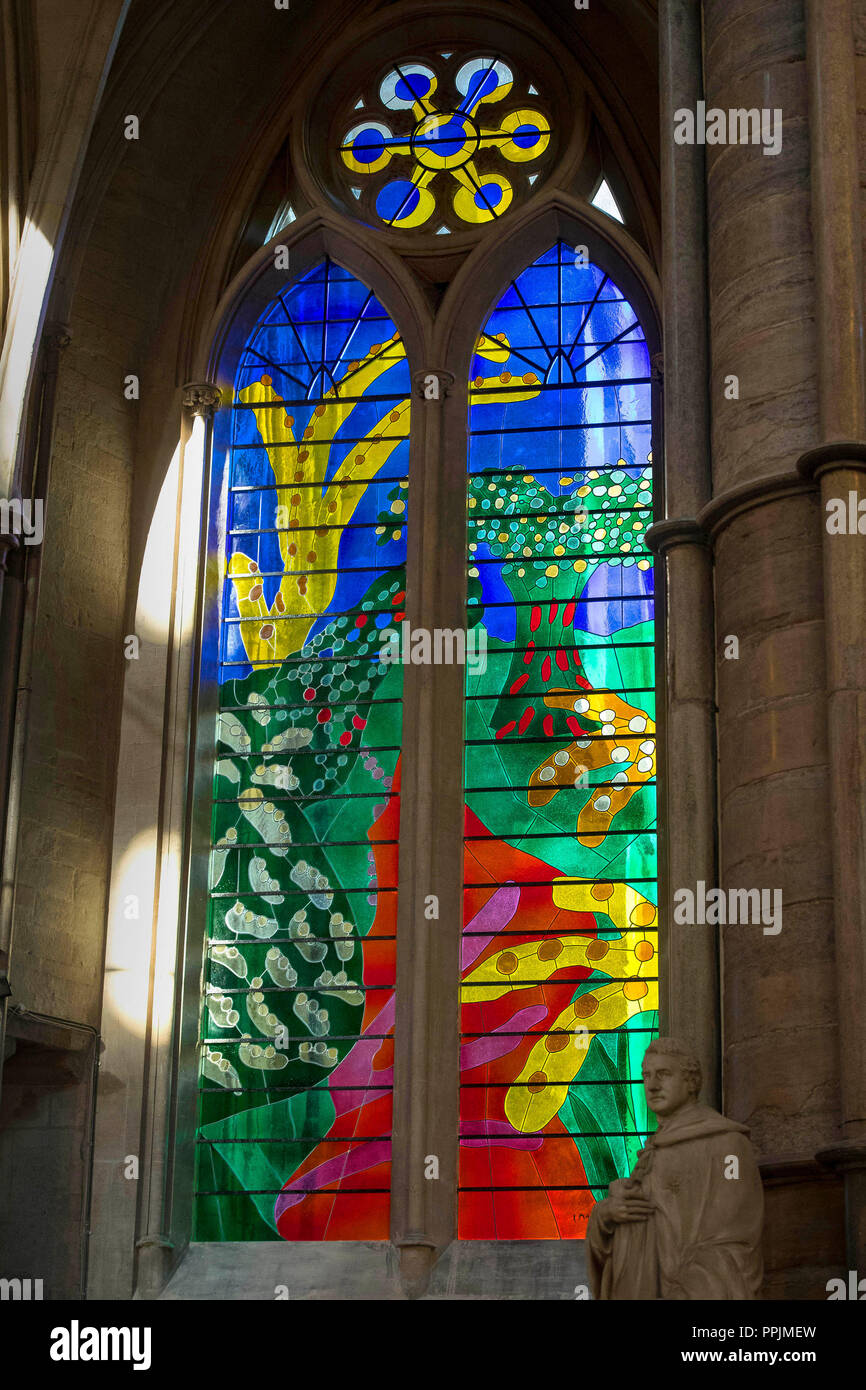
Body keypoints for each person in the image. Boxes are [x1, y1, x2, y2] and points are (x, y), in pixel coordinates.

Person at [587, 1037, 763, 1299]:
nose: (653, 1086)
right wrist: (605, 1215)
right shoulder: (653, 1151)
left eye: (664, 1074)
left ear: (691, 1082)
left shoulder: (728, 1145)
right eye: (646, 1076)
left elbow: (732, 1244)